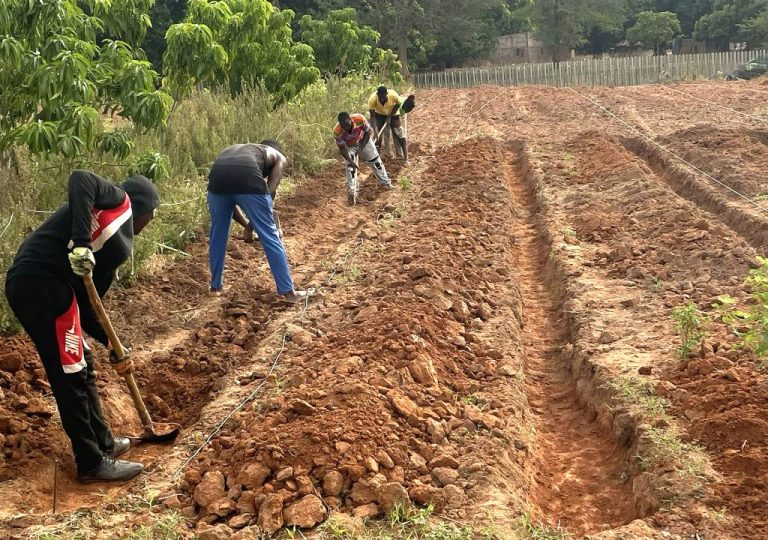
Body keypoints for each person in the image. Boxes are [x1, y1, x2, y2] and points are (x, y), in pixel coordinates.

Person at [4, 170, 160, 483]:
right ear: (146, 210)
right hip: (39, 283)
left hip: (59, 292)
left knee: (82, 363)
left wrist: (113, 346)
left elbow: (90, 308)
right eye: (152, 216)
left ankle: (103, 444)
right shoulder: (118, 200)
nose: (150, 223)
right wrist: (80, 242)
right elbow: (79, 180)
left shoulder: (115, 250)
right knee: (70, 373)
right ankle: (90, 463)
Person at [207, 140, 308, 301]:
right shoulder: (279, 157)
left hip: (217, 176)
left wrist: (248, 226)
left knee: (217, 235)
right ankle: (289, 292)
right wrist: (252, 227)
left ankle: (215, 287)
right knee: (269, 235)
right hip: (246, 174)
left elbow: (230, 201)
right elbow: (270, 192)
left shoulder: (243, 149)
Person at [334, 112, 392, 205]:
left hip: (364, 140)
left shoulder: (359, 119)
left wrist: (361, 147)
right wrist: (351, 161)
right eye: (343, 126)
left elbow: (367, 132)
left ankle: (385, 183)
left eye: (347, 125)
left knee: (375, 161)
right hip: (349, 146)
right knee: (350, 168)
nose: (346, 128)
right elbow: (342, 148)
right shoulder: (337, 131)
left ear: (350, 119)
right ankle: (353, 192)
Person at [368, 86, 408, 162]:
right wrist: (375, 129)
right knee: (378, 136)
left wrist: (390, 116)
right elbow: (372, 116)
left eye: (384, 97)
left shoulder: (393, 95)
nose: (382, 99)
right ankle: (380, 157)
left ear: (387, 94)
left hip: (394, 113)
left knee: (399, 133)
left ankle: (403, 157)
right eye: (380, 97)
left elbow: (398, 104)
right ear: (377, 94)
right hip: (379, 115)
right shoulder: (372, 99)